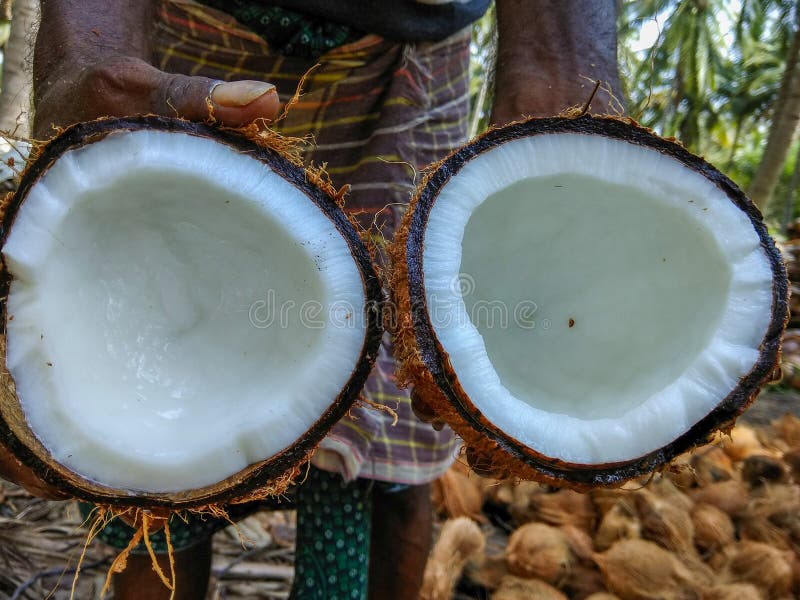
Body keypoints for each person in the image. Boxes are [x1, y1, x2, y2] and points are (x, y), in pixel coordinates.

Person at [1, 1, 622, 598]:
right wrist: (89, 51)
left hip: (414, 55)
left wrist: (558, 63)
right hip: (186, 26)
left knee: (396, 442)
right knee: (151, 503)